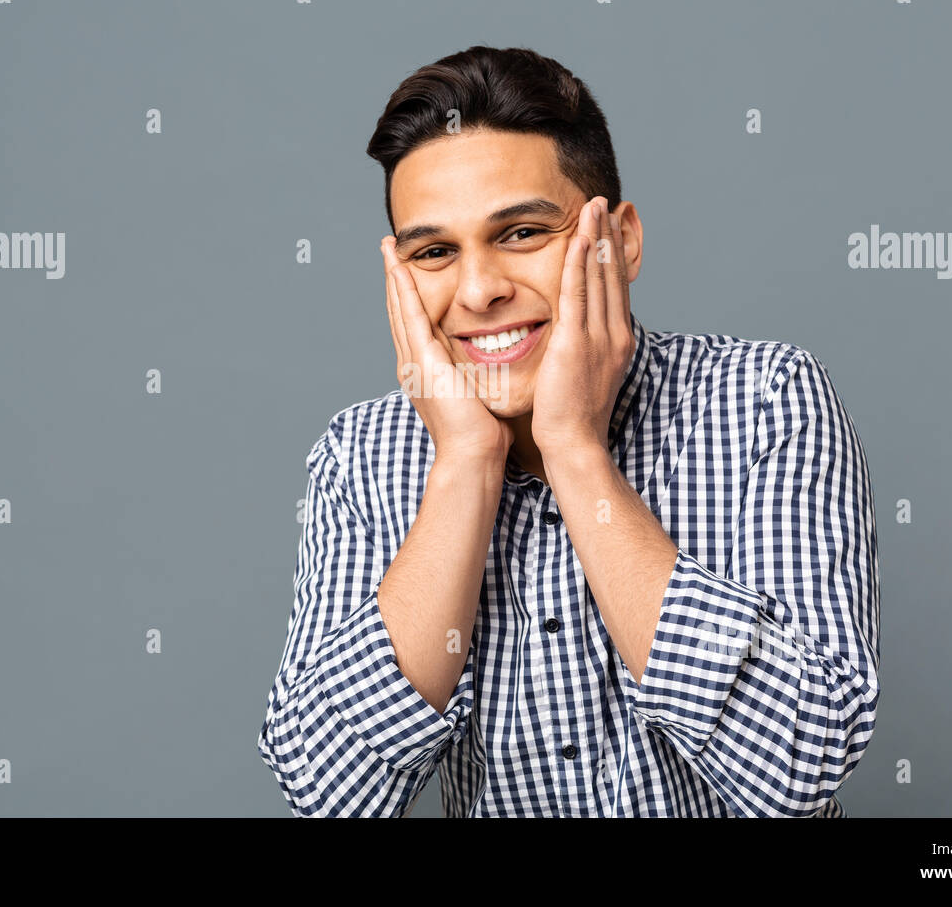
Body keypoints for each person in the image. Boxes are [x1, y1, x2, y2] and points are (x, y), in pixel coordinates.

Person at [257, 45, 880, 817]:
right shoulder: (360, 456)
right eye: (435, 252)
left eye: (521, 233)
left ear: (622, 238)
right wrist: (466, 462)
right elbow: (328, 794)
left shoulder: (765, 400)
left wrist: (576, 450)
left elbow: (801, 760)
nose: (480, 290)